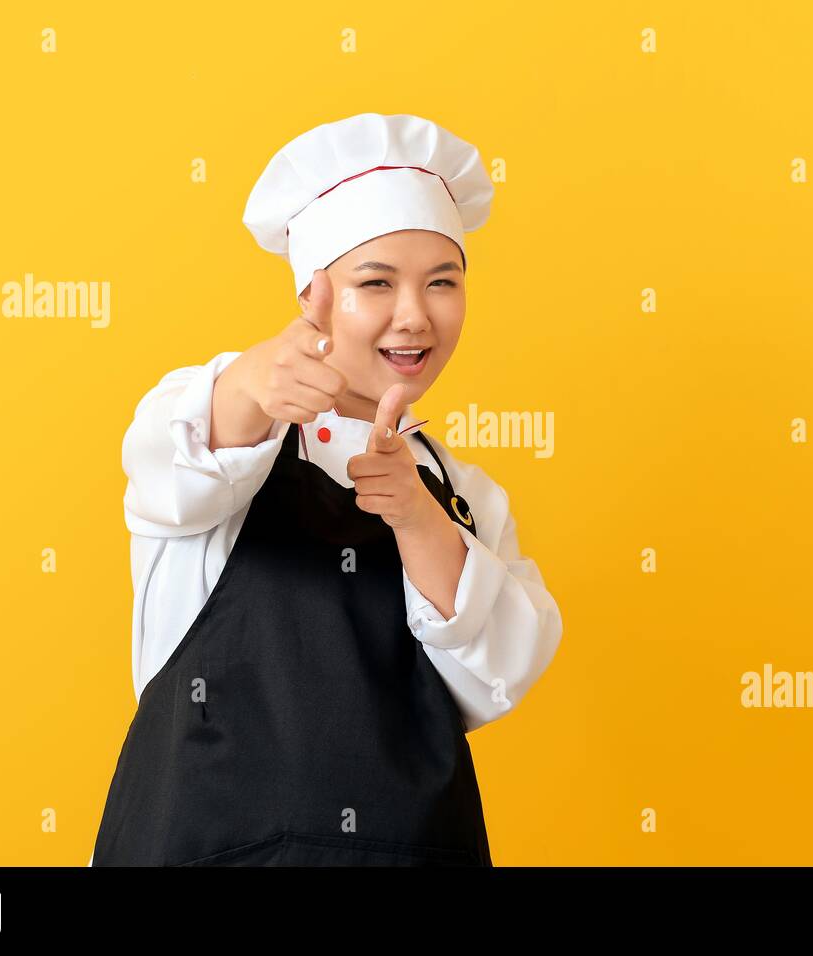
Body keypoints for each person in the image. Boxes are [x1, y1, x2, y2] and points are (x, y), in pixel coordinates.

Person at [90, 112, 563, 866]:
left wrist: (415, 516)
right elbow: (170, 463)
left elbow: (497, 677)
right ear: (313, 295)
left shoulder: (462, 494)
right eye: (375, 283)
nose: (414, 315)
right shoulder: (218, 438)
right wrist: (252, 381)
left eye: (442, 282)